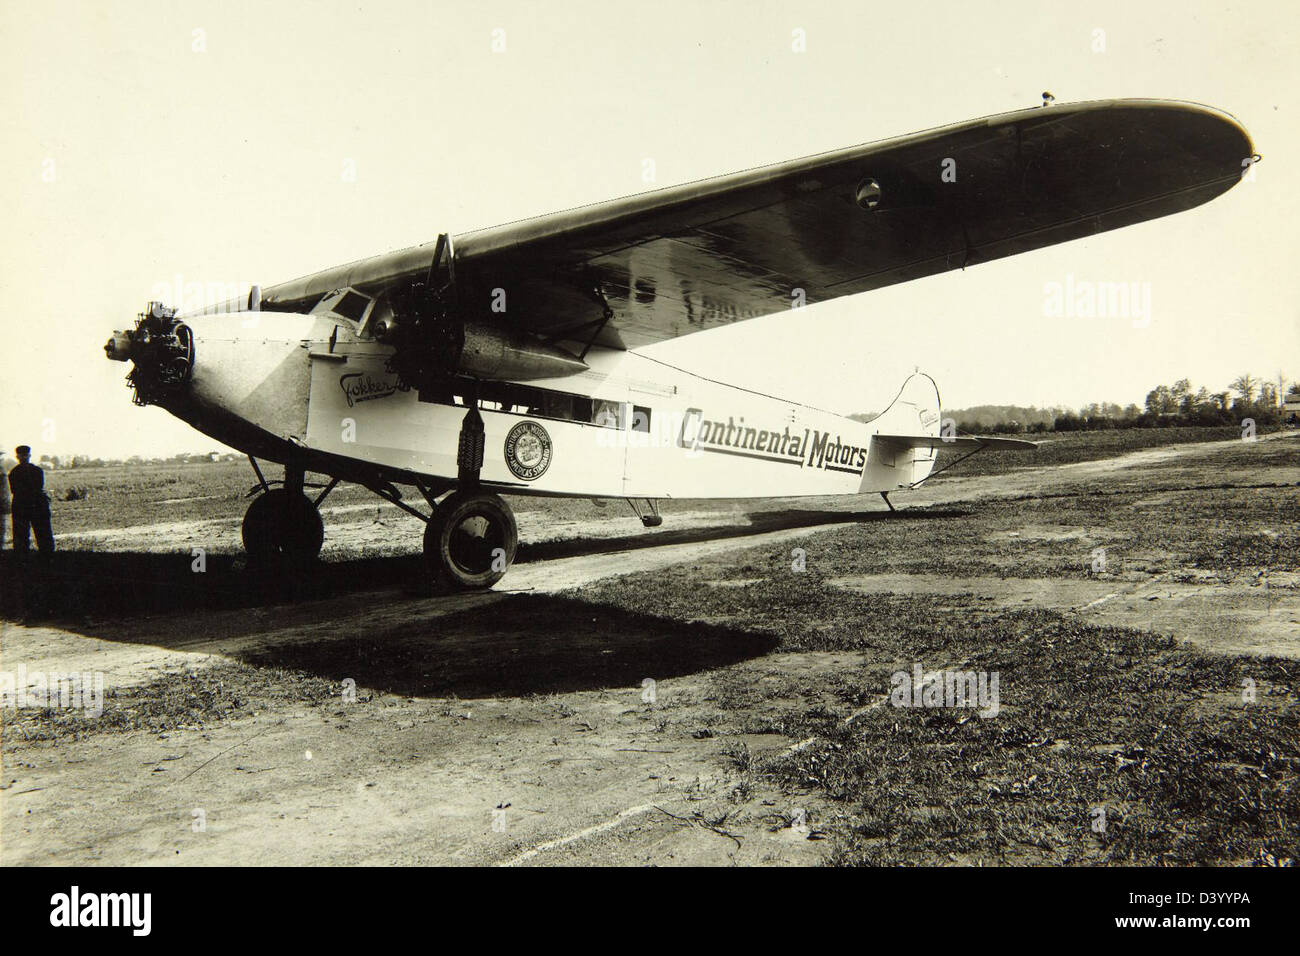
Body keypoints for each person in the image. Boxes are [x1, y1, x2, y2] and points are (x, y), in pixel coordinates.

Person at [9, 445, 55, 554]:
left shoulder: (14, 472)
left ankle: (23, 556)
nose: (24, 457)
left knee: (22, 534)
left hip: (22, 504)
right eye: (23, 455)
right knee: (42, 533)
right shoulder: (37, 471)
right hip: (36, 503)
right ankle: (46, 555)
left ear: (17, 457)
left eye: (24, 455)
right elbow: (39, 487)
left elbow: (14, 490)